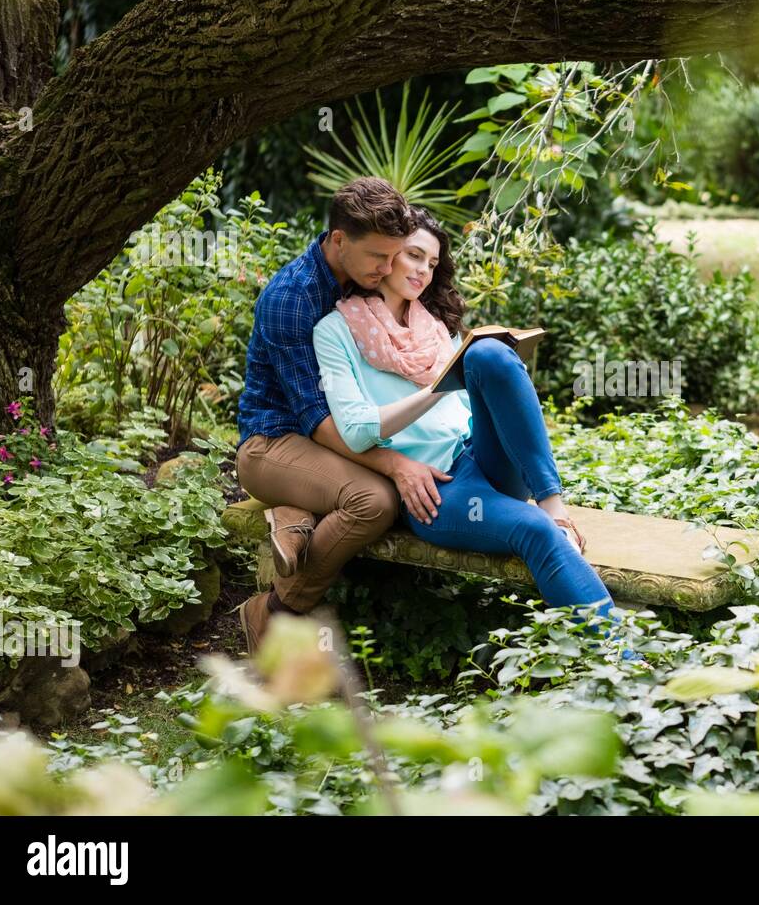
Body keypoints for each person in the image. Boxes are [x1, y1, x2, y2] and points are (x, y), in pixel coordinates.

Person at [311, 206, 638, 660]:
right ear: (386, 258)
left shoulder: (432, 326)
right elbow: (355, 429)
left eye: (432, 262)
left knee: (489, 353)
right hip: (437, 488)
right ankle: (624, 664)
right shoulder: (336, 331)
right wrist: (435, 388)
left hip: (478, 458)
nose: (424, 271)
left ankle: (554, 504)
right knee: (535, 532)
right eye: (414, 256)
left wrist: (477, 377)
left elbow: (470, 409)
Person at [235, 177, 451, 654]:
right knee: (374, 502)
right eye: (378, 256)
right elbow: (314, 417)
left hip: (333, 440)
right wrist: (397, 464)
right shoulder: (292, 298)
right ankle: (274, 611)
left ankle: (296, 518)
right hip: (276, 441)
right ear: (337, 240)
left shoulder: (365, 283)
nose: (389, 266)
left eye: (395, 255)